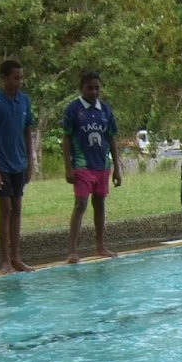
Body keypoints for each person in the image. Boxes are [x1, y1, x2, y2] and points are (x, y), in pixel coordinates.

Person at [62, 70, 126, 265]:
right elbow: (66, 138)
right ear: (81, 88)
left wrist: (116, 166)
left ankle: (100, 245)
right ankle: (72, 250)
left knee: (100, 204)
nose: (94, 92)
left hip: (102, 165)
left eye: (97, 88)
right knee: (80, 204)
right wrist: (67, 167)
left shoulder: (105, 111)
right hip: (82, 165)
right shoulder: (73, 110)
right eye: (89, 88)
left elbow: (112, 138)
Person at [0, 58, 36, 274]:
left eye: (21, 78)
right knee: (6, 208)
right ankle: (4, 258)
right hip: (1, 162)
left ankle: (16, 257)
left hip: (19, 162)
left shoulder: (24, 101)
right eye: (15, 78)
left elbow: (27, 132)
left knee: (17, 209)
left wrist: (30, 162)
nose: (19, 82)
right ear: (4, 78)